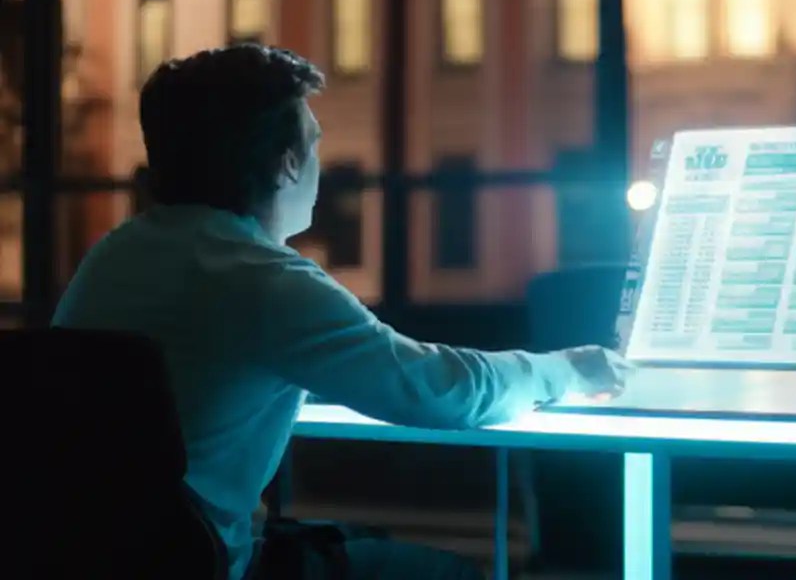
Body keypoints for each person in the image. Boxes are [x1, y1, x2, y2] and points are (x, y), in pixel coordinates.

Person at [53, 45, 632, 580]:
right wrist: (567, 372)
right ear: (286, 164)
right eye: (315, 144)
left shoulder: (114, 255)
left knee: (356, 543)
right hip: (203, 564)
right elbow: (436, 389)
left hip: (79, 557)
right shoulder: (262, 278)